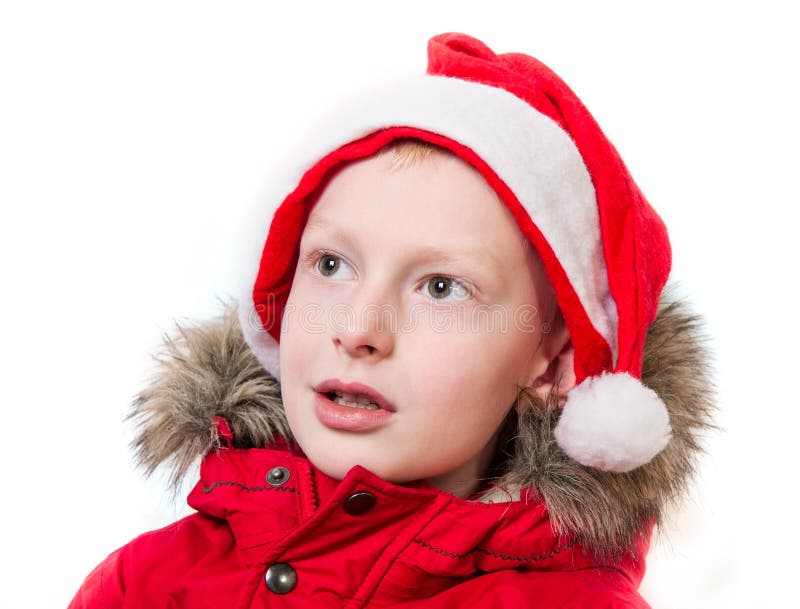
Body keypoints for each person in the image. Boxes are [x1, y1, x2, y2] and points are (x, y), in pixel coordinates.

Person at [69, 32, 715, 608]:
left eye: (440, 287)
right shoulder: (145, 583)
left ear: (555, 364)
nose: (359, 330)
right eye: (331, 265)